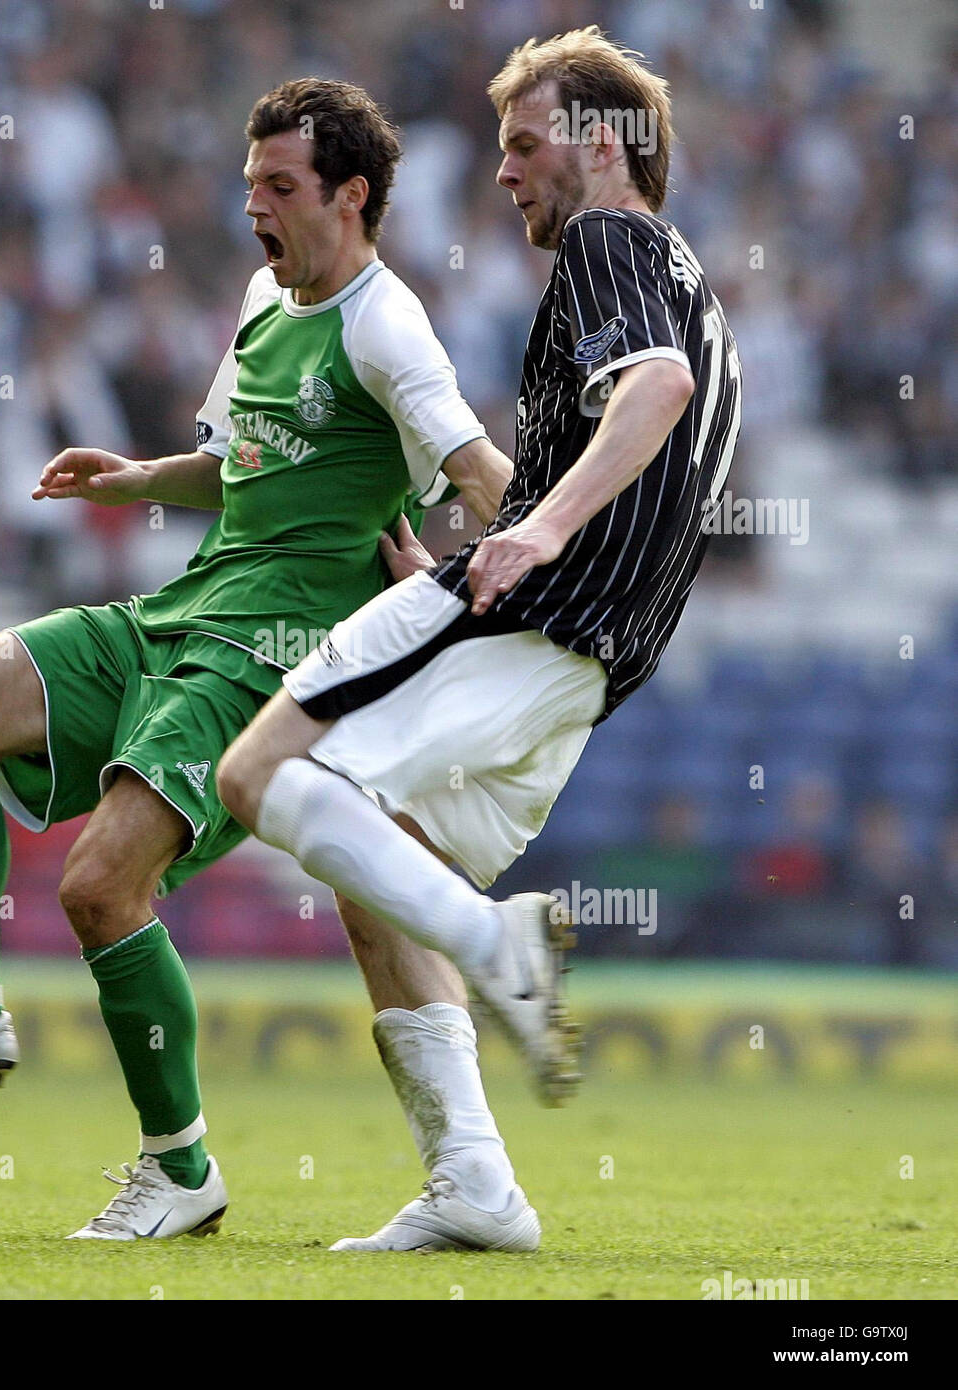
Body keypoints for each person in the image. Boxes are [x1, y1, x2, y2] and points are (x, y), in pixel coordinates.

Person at [0, 79, 542, 1252]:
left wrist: (512, 603)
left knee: (102, 888)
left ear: (350, 198)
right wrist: (136, 478)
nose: (250, 203)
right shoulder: (266, 296)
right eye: (248, 180)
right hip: (186, 609)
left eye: (279, 186)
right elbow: (240, 462)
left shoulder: (384, 323)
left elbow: (481, 477)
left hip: (272, 654)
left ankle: (180, 1170)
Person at [217, 28, 744, 1152]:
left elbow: (655, 387)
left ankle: (498, 944)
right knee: (379, 864)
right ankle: (473, 1182)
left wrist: (530, 536)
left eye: (521, 144)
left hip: (527, 612)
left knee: (257, 774)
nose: (502, 172)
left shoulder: (609, 233)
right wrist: (512, 530)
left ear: (602, 142)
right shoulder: (689, 276)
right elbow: (653, 430)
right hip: (587, 659)